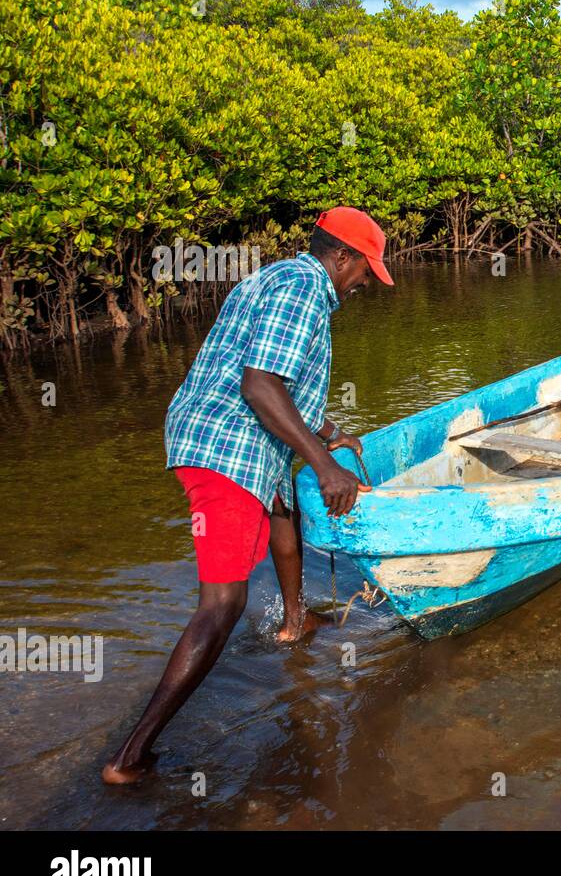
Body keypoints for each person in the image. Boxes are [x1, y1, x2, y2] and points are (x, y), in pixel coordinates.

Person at [101, 207, 394, 785]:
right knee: (223, 605)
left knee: (283, 510)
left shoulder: (283, 279)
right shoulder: (303, 292)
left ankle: (295, 622)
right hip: (226, 446)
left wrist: (329, 433)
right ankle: (129, 757)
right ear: (343, 256)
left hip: (242, 442)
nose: (366, 284)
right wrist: (324, 463)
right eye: (366, 270)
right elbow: (259, 386)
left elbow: (279, 382)